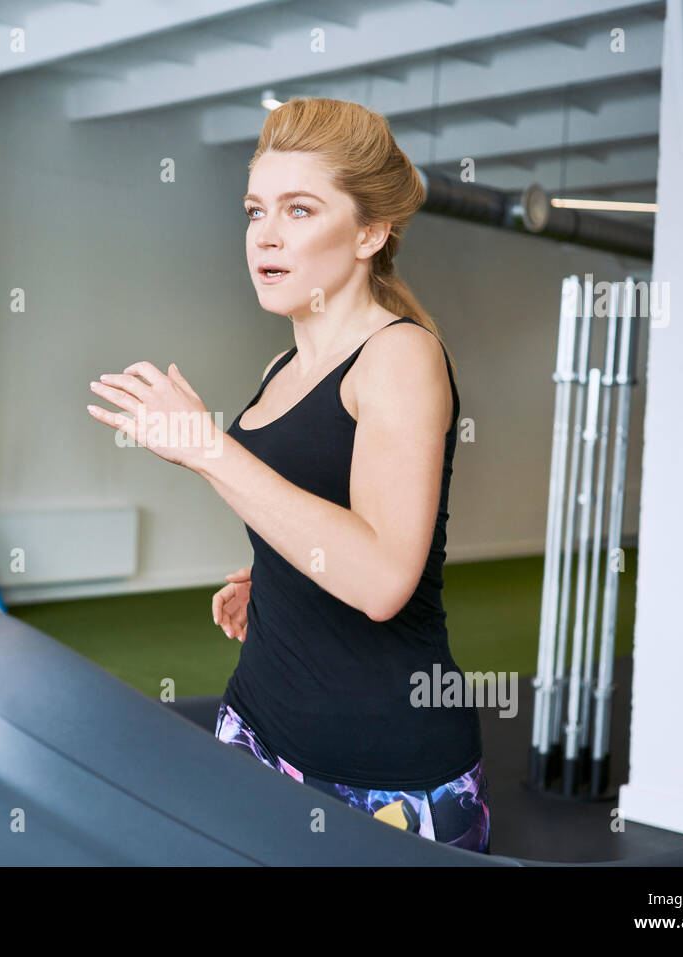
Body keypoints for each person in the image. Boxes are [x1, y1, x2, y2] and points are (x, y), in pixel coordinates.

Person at [86, 97, 489, 854]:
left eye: (299, 210)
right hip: (258, 725)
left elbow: (379, 579)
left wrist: (209, 447)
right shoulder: (284, 365)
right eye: (255, 210)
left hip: (381, 770)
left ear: (370, 232)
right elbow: (326, 515)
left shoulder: (400, 357)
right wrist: (275, 572)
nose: (265, 235)